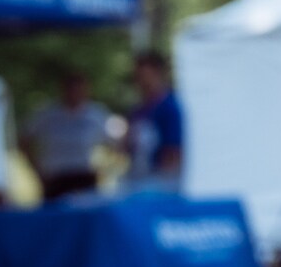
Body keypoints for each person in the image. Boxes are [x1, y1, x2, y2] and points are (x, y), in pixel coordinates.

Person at [22, 71, 113, 200]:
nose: (75, 94)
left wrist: (103, 170)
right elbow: (24, 139)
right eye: (71, 89)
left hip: (84, 177)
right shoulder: (47, 114)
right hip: (54, 178)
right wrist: (37, 170)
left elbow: (115, 146)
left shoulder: (96, 114)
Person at [124, 51, 185, 191]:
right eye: (138, 77)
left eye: (145, 76)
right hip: (138, 179)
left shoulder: (170, 107)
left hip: (162, 183)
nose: (141, 82)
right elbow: (129, 147)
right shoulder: (137, 110)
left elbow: (174, 152)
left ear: (158, 74)